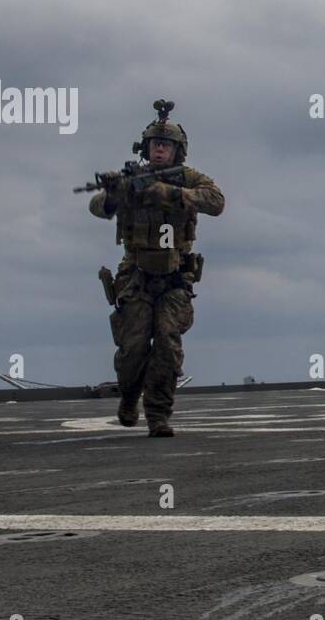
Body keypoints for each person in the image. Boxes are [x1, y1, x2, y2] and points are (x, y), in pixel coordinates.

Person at [88, 100, 223, 436]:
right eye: (155, 144)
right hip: (136, 275)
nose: (159, 149)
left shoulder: (191, 178)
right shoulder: (132, 177)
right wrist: (113, 193)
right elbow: (97, 207)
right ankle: (129, 396)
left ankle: (159, 414)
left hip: (174, 277)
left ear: (178, 150)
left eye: (165, 145)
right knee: (133, 347)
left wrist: (171, 194)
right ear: (146, 148)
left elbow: (216, 201)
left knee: (167, 344)